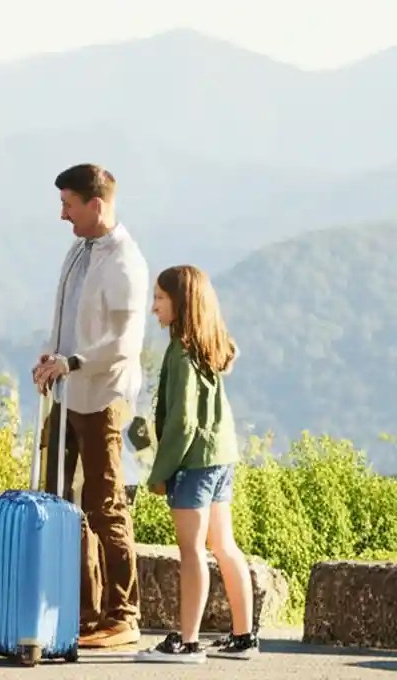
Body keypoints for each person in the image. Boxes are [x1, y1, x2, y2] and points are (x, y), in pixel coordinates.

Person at [33, 163, 148, 648]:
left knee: (104, 504)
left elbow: (124, 343)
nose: (63, 214)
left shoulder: (124, 262)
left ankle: (122, 614)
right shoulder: (79, 251)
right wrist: (52, 358)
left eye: (69, 205)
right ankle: (83, 609)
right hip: (67, 393)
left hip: (102, 399)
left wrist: (73, 362)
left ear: (95, 204)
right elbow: (68, 321)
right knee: (57, 500)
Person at [137, 265, 259, 662]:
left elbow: (183, 422)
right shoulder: (208, 344)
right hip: (220, 457)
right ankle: (243, 637)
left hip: (193, 463)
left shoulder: (181, 351)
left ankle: (187, 642)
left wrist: (160, 472)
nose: (154, 307)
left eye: (160, 298)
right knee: (224, 545)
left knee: (191, 551)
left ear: (181, 302)